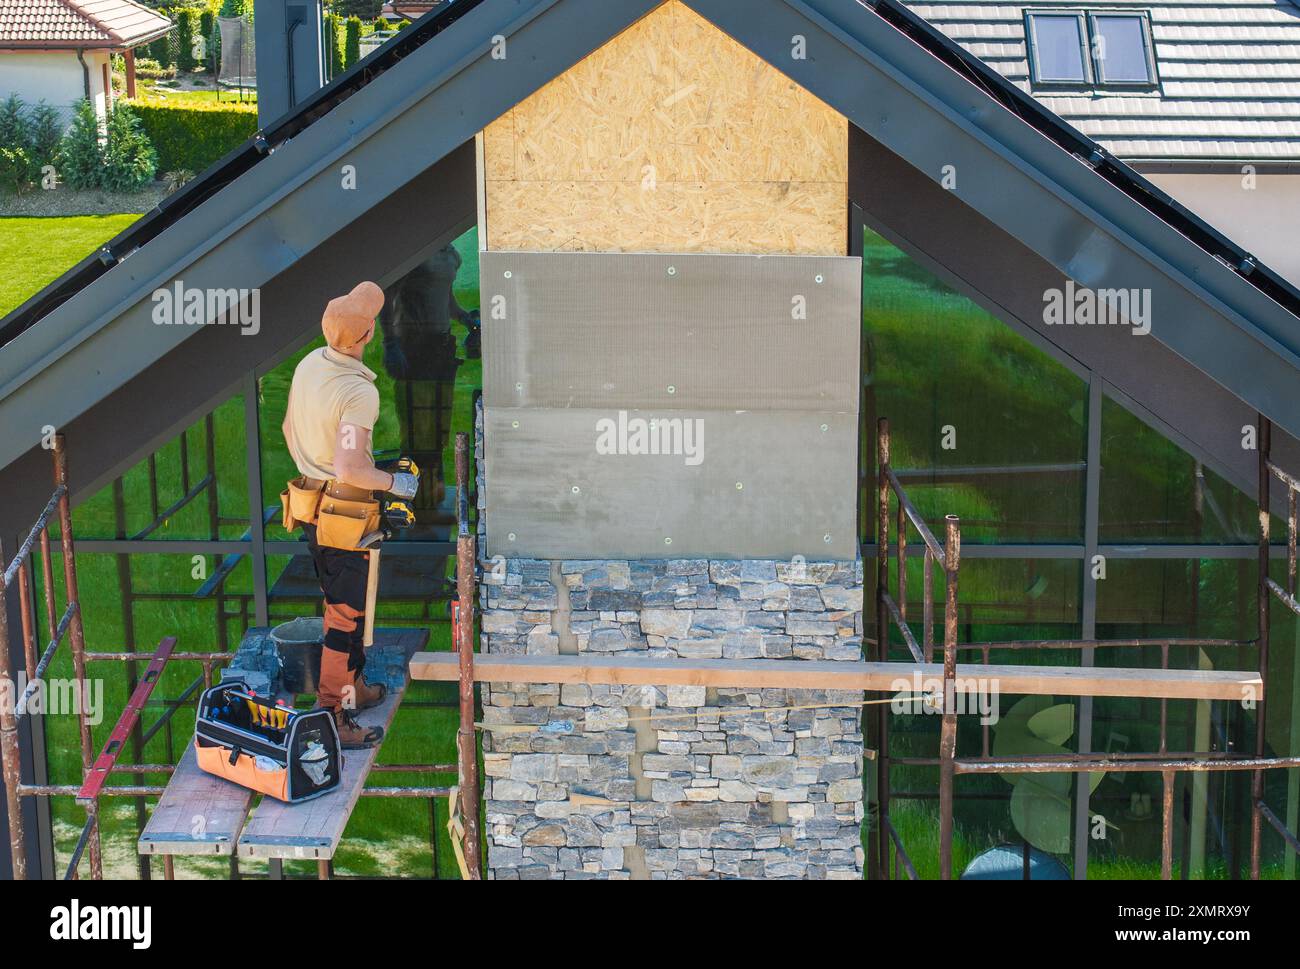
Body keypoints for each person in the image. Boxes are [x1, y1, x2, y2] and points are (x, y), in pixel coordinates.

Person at [282, 281, 419, 748]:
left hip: (312, 506)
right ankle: (332, 717)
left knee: (350, 606)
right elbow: (351, 466)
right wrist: (395, 483)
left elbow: (287, 428)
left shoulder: (309, 365)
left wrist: (312, 465)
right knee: (343, 618)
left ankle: (354, 688)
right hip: (344, 513)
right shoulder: (356, 393)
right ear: (366, 336)